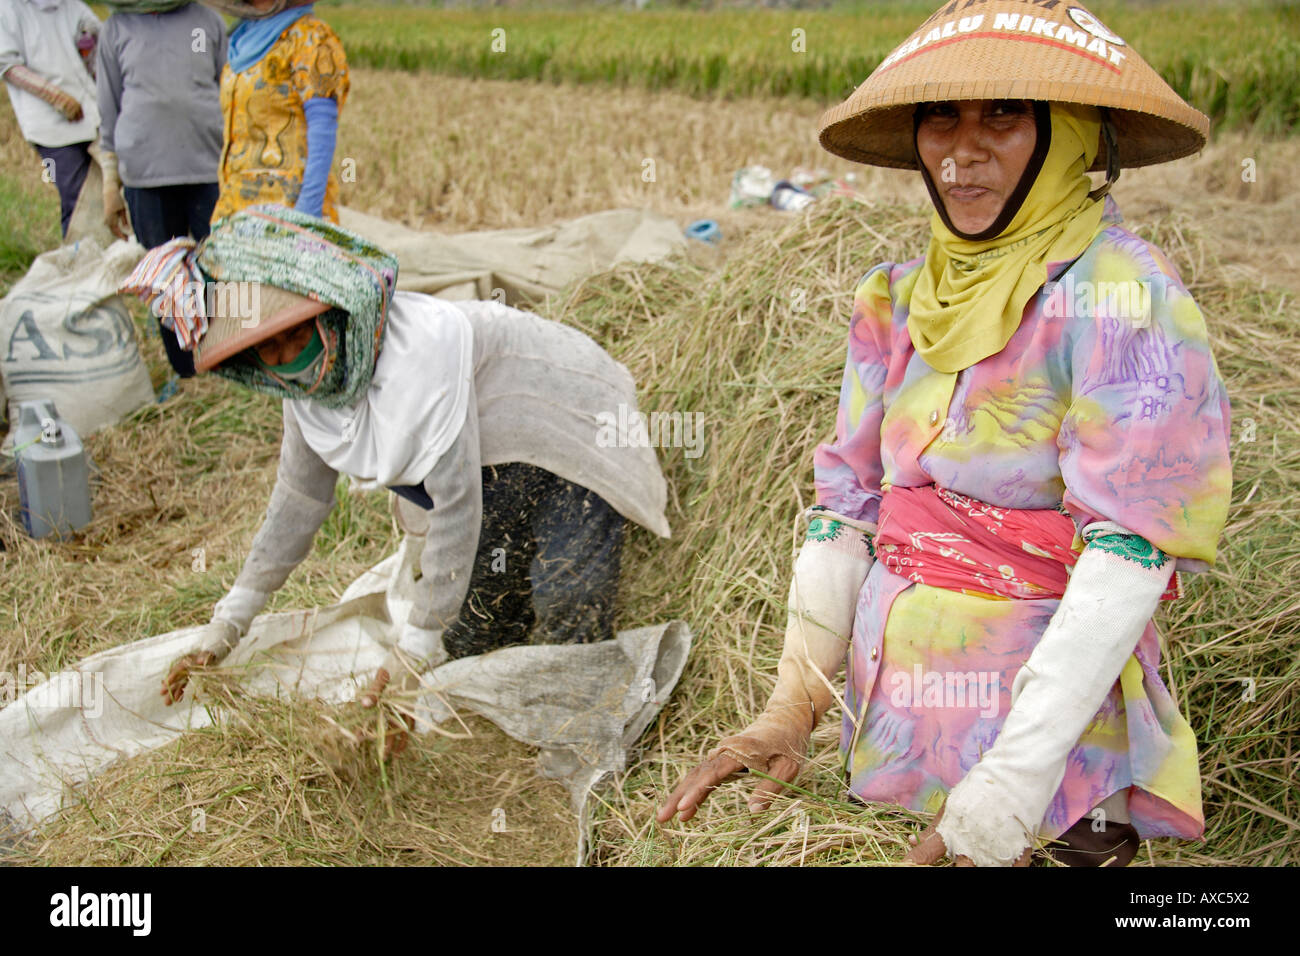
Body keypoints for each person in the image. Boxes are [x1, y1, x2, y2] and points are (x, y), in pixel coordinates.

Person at [658, 0, 1232, 868]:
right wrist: (793, 706)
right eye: (942, 118)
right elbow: (846, 512)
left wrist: (1011, 785)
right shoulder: (894, 300)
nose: (964, 151)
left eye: (1004, 115)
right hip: (892, 739)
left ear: (1071, 135)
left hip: (1050, 774)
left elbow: (1131, 554)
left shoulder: (1121, 296)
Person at [119, 205, 671, 751]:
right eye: (269, 348)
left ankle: (590, 738)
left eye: (293, 333)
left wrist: (411, 651)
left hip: (559, 428)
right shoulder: (307, 397)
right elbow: (297, 502)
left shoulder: (420, 357)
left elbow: (455, 507)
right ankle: (506, 660)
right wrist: (228, 625)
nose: (288, 357)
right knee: (475, 635)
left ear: (326, 314)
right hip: (488, 471)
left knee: (568, 596)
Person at [97, 1, 227, 378]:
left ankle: (227, 358)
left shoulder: (207, 23)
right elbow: (108, 111)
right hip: (144, 174)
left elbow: (228, 89)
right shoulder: (117, 29)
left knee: (220, 269)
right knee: (166, 276)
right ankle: (185, 368)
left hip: (208, 169)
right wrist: (110, 183)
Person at [201, 0, 348, 223]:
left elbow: (322, 128)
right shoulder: (241, 39)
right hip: (236, 207)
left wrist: (307, 212)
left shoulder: (312, 40)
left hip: (286, 209)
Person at [0, 0, 101, 238]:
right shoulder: (8, 9)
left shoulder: (71, 7)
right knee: (76, 200)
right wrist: (57, 98)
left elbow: (96, 47)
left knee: (104, 196)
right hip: (50, 127)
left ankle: (102, 261)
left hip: (93, 116)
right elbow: (7, 65)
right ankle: (77, 261)